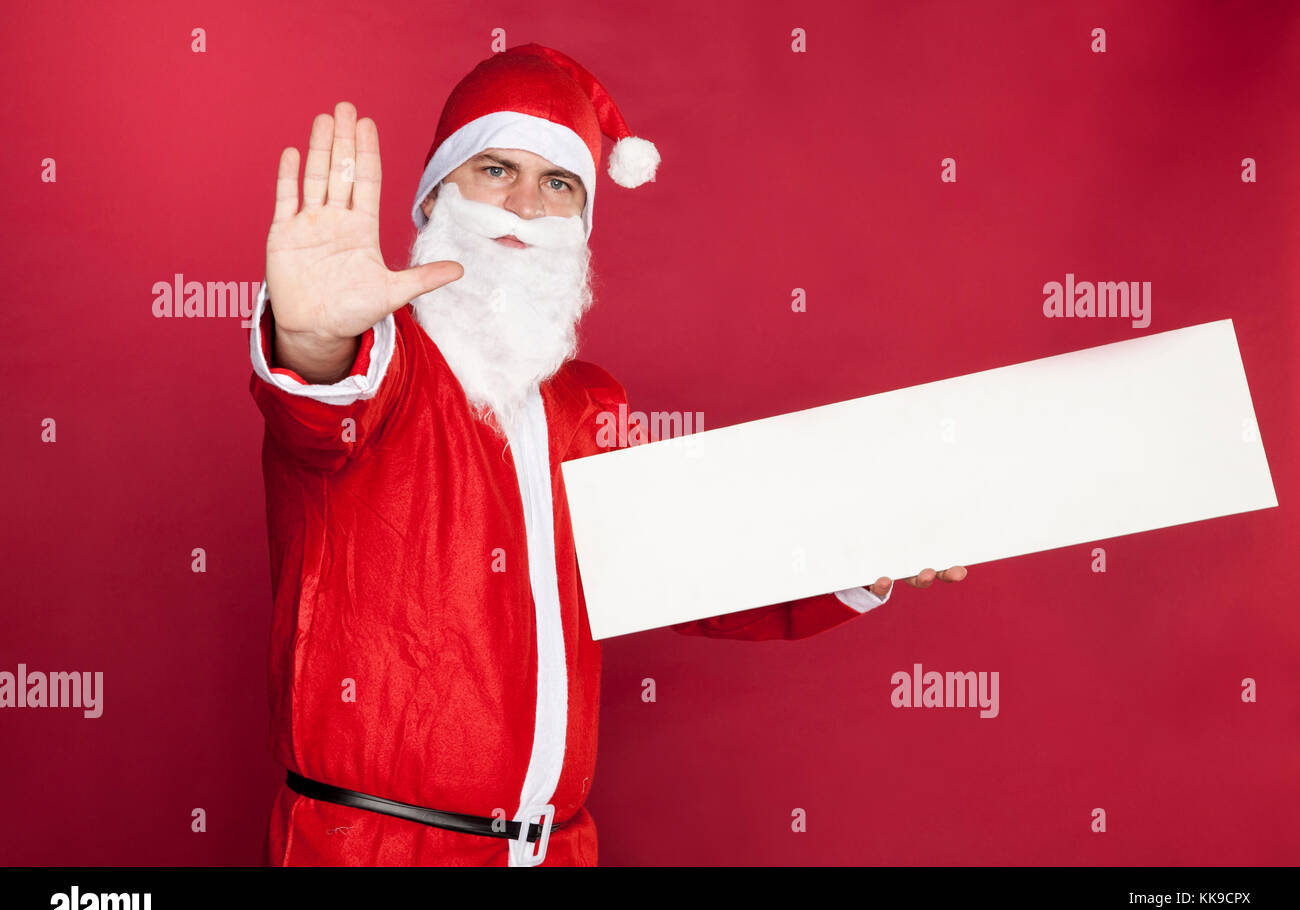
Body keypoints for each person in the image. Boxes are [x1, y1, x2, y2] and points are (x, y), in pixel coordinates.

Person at [249, 43, 967, 867]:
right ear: (436, 194)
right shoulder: (382, 368)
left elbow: (691, 571)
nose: (524, 205)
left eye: (558, 184)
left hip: (557, 854)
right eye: (494, 170)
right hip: (372, 853)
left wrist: (865, 544)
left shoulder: (589, 406)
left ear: (583, 225)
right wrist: (311, 338)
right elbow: (315, 409)